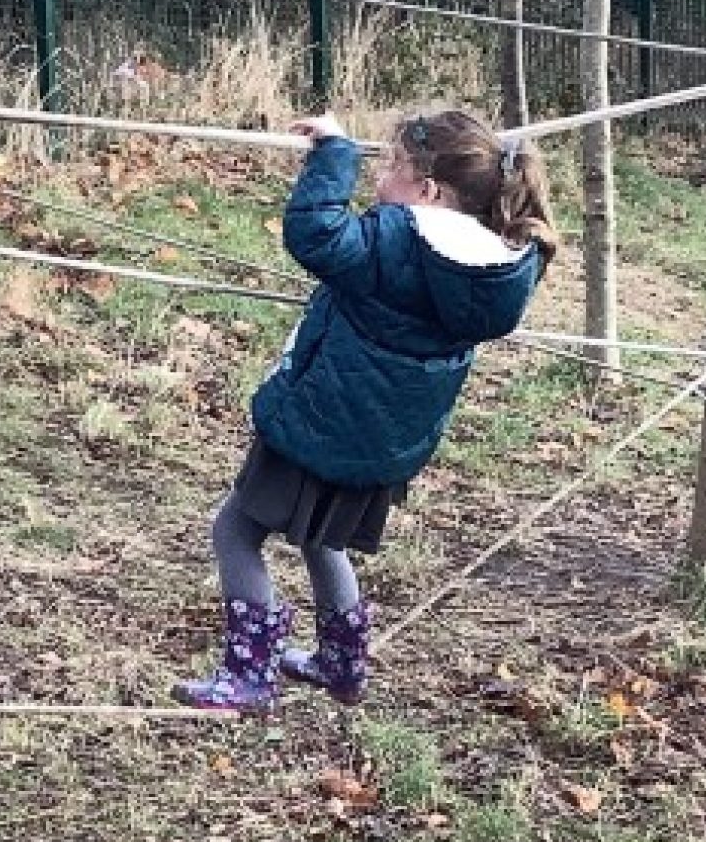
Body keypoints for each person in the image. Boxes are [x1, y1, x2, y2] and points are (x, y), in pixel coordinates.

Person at [176, 106, 558, 713]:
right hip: (384, 443)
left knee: (235, 531)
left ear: (428, 191)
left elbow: (317, 234)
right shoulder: (503, 270)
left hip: (319, 423)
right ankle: (341, 663)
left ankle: (251, 673)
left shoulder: (395, 240)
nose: (378, 180)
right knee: (324, 541)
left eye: (389, 167)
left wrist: (334, 155)